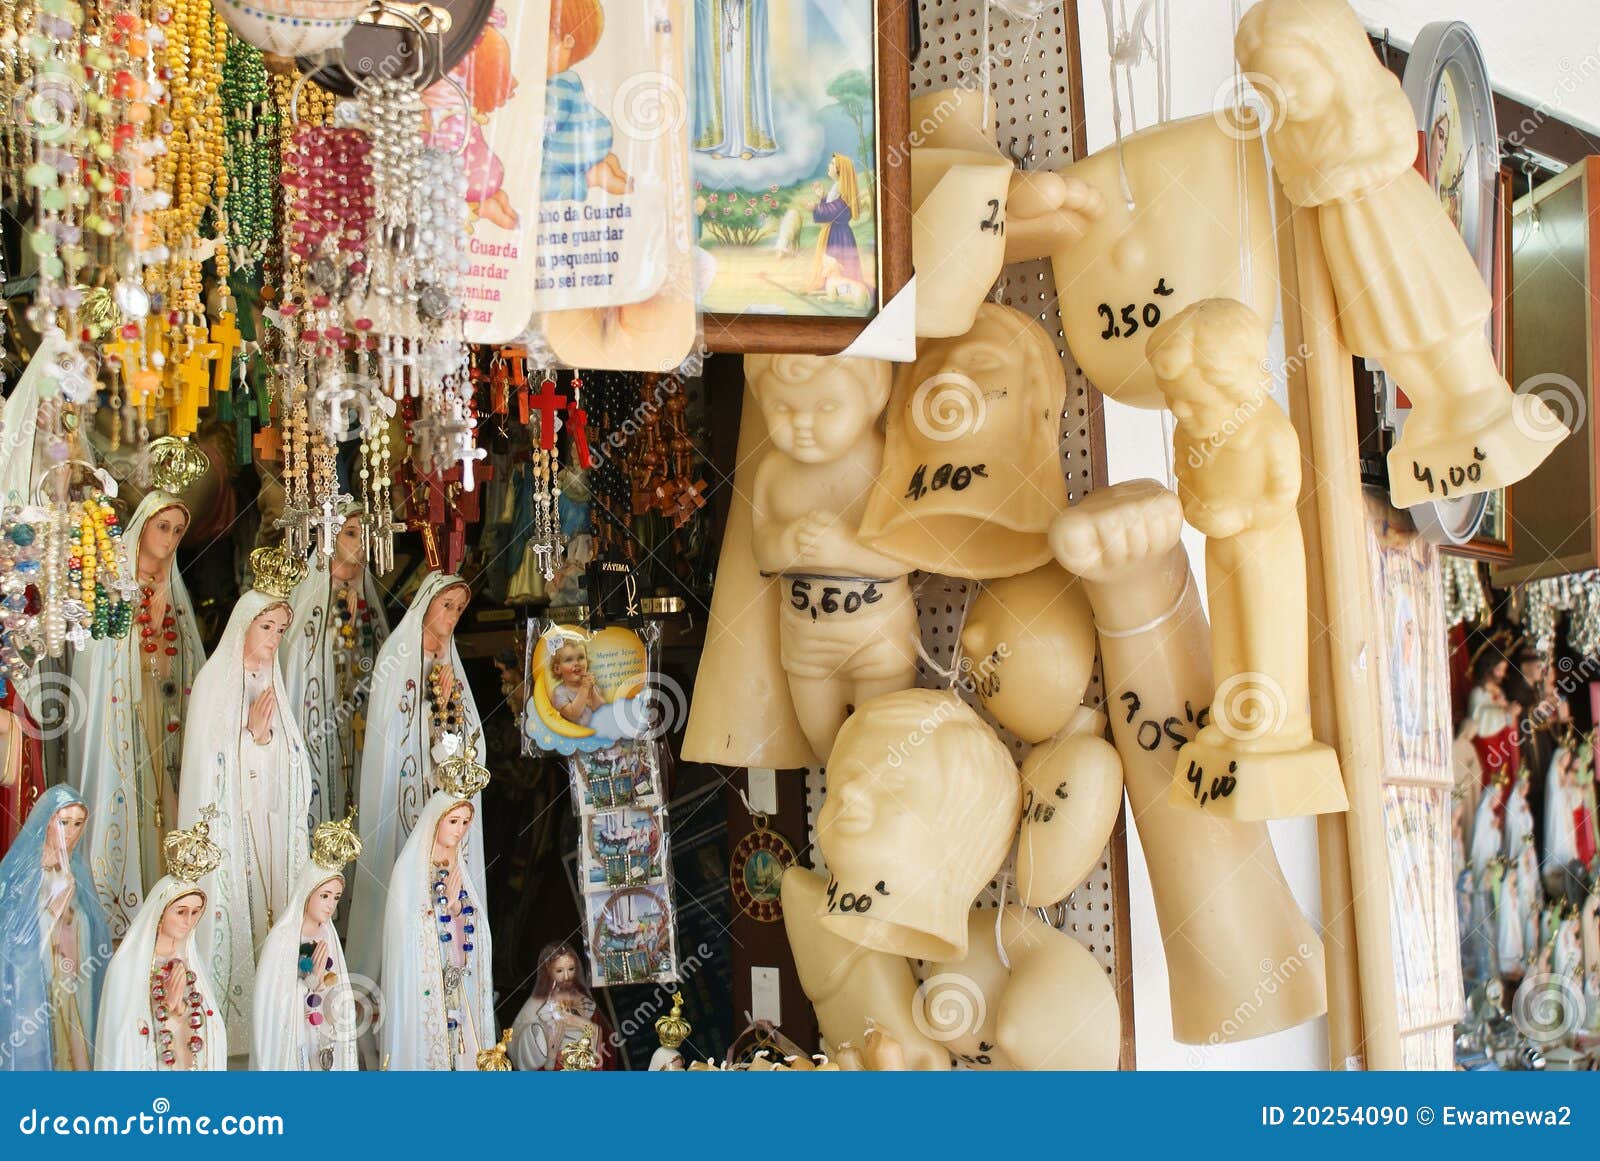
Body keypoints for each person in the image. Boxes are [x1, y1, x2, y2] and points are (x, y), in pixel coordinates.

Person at [177, 551, 313, 1057]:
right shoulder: (216, 683)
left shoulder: (273, 682)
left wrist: (274, 748)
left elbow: (294, 756)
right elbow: (208, 765)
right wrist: (251, 739)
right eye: (266, 627)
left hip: (270, 822)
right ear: (243, 627)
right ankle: (235, 1026)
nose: (274, 638)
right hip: (234, 826)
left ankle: (276, 1011)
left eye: (280, 629)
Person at [70, 493, 204, 938]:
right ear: (143, 527)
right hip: (124, 718)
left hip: (164, 719)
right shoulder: (114, 588)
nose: (169, 538)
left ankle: (167, 911)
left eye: (177, 530)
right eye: (162, 526)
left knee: (168, 805)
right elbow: (99, 664)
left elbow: (185, 666)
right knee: (132, 803)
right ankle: (126, 920)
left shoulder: (175, 592)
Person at [347, 573, 485, 985]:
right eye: (447, 606)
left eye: (460, 609)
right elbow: (392, 738)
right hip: (406, 801)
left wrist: (447, 711)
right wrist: (436, 712)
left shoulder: (449, 668)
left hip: (438, 801)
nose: (452, 616)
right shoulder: (397, 658)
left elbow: (464, 752)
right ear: (425, 606)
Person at [280, 511, 390, 831]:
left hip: (358, 723)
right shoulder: (311, 599)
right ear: (330, 538)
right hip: (321, 722)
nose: (362, 543)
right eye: (352, 533)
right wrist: (340, 624)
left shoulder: (366, 597)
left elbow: (380, 663)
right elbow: (298, 662)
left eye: (365, 534)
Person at [95, 816, 227, 1070]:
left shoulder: (191, 961)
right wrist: (165, 1009)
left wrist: (181, 1010)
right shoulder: (127, 966)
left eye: (196, 911)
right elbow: (122, 1042)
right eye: (180, 911)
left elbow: (212, 1028)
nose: (189, 920)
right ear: (160, 912)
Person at [380, 780, 494, 1071]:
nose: (459, 829)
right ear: (436, 821)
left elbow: (473, 925)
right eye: (453, 821)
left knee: (465, 1047)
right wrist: (445, 907)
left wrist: (456, 909)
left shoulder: (458, 868)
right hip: (426, 983)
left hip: (457, 977)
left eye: (466, 822)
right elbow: (407, 931)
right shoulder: (409, 872)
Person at [0, 786, 111, 1071]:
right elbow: (12, 933)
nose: (71, 831)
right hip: (36, 977)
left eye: (78, 824)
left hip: (72, 970)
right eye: (64, 822)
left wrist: (73, 916)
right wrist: (52, 911)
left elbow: (90, 923)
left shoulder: (75, 867)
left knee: (74, 1035)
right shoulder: (24, 868)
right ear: (47, 821)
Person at [251, 815, 362, 1071]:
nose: (330, 904)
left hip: (324, 1036)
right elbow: (273, 1006)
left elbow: (337, 986)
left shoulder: (328, 934)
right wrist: (311, 982)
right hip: (297, 1044)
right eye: (324, 895)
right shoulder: (282, 939)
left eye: (336, 897)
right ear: (306, 892)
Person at [541, 0, 631, 201]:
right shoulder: (568, 79)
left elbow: (545, 126)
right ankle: (602, 161)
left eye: (539, 37)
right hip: (592, 146)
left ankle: (592, 177)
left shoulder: (556, 87)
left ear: (567, 41)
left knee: (535, 185)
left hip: (572, 155)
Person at [510, 942, 611, 1070]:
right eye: (559, 971)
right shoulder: (539, 1006)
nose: (566, 976)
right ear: (548, 969)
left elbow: (602, 1041)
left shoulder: (585, 1002)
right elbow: (525, 1047)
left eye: (571, 969)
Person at [806, 154, 865, 293]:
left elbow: (838, 210)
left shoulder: (844, 191)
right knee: (829, 261)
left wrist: (816, 207)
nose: (829, 165)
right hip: (833, 232)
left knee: (838, 260)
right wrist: (822, 198)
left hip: (840, 235)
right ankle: (830, 286)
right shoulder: (836, 187)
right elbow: (831, 208)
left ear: (840, 171)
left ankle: (844, 290)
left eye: (832, 164)